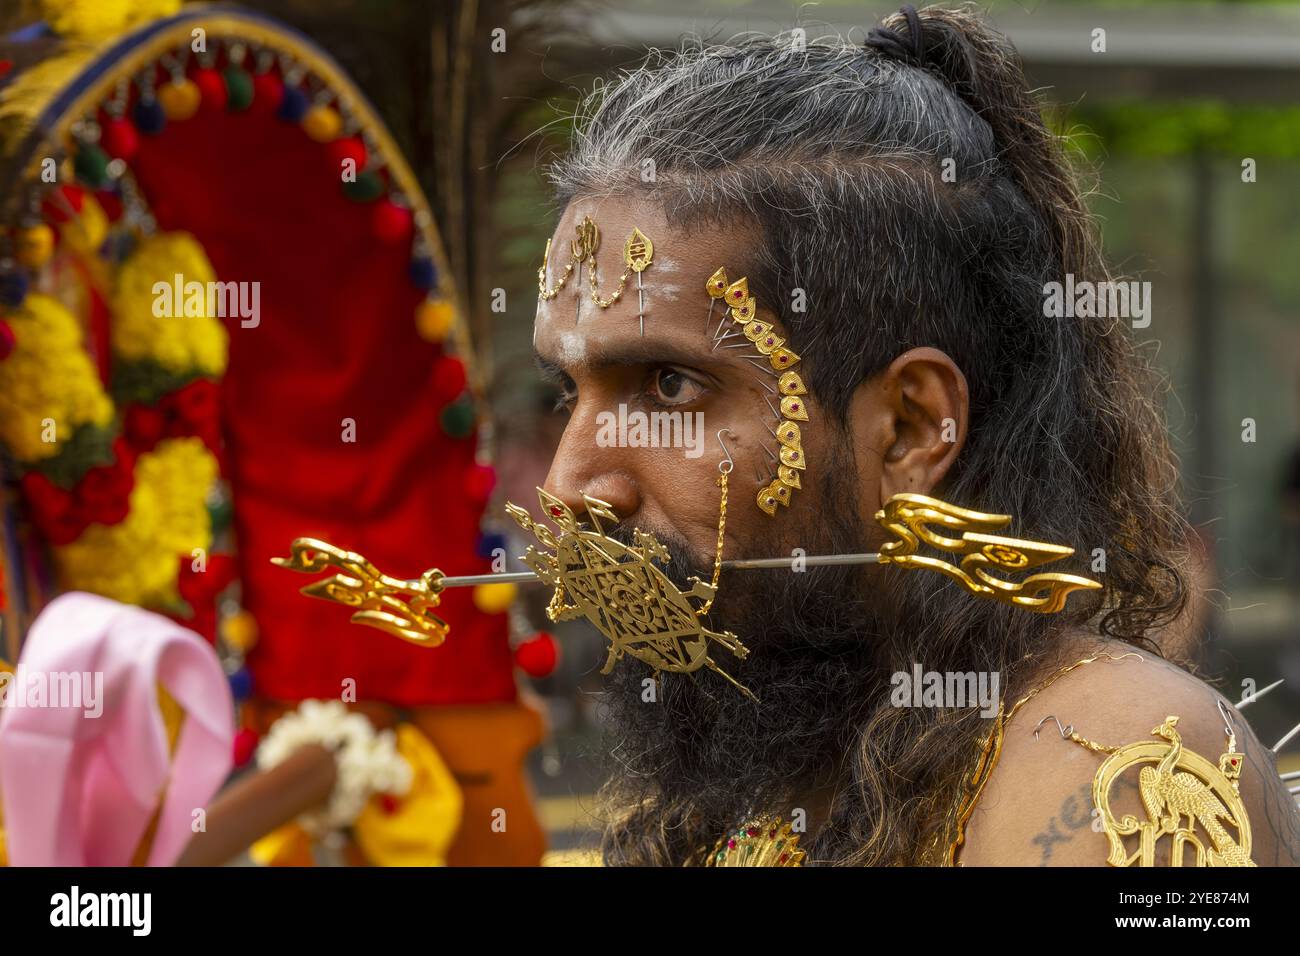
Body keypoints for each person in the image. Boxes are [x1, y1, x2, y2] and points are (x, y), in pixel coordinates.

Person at [529, 5, 1300, 865]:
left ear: (908, 428)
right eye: (568, 390)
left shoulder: (1119, 771)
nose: (567, 487)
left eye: (669, 386)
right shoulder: (745, 774)